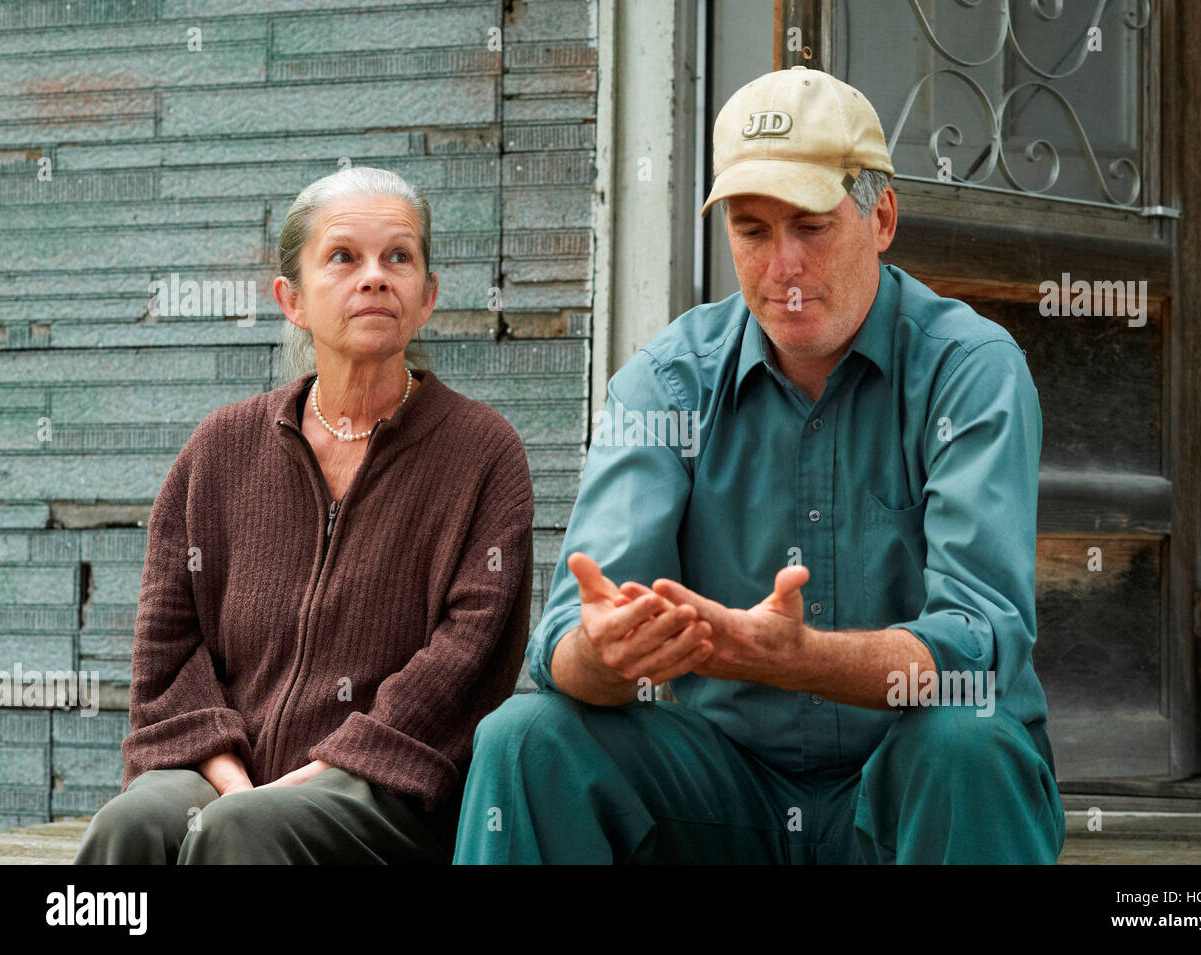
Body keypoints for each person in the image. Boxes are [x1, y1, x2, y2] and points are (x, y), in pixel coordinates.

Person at [453, 68, 1064, 864]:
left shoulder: (969, 367)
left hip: (907, 786)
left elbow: (981, 646)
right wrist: (603, 655)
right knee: (526, 736)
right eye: (751, 230)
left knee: (968, 739)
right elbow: (570, 635)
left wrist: (803, 659)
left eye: (810, 226)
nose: (783, 268)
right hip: (725, 793)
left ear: (881, 217)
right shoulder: (667, 381)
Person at [73, 167, 534, 864]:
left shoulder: (483, 453)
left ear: (428, 295)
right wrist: (232, 777)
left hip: (383, 793)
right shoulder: (221, 448)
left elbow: (466, 659)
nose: (375, 277)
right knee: (131, 824)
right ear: (291, 299)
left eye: (398, 258)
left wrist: (321, 770)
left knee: (244, 831)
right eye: (344, 256)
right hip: (227, 770)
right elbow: (168, 646)